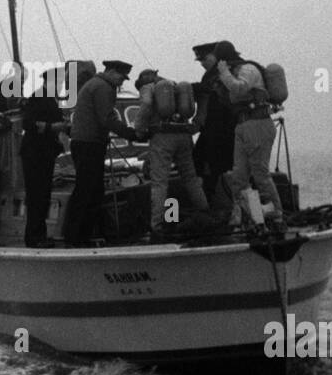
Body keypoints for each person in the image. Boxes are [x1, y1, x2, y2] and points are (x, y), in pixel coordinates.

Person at [62, 60, 134, 247]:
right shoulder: (103, 87)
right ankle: (77, 237)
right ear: (111, 71)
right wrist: (130, 134)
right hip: (89, 144)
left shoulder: (94, 84)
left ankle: (77, 235)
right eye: (121, 77)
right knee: (88, 190)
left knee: (88, 189)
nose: (122, 81)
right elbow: (107, 118)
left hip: (84, 142)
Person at [214, 42, 284, 228]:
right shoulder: (233, 73)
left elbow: (240, 88)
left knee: (260, 173)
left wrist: (224, 73)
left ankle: (276, 213)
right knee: (239, 176)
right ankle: (248, 216)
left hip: (257, 124)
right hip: (243, 126)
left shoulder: (248, 70)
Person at [134, 69, 209, 240]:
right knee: (191, 178)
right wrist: (197, 124)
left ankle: (157, 226)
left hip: (162, 136)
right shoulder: (176, 88)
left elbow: (146, 105)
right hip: (184, 136)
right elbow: (202, 100)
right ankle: (205, 213)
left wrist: (139, 129)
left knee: (159, 182)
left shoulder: (148, 87)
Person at [20, 68, 66, 247]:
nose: (61, 85)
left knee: (43, 195)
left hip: (43, 153)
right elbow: (28, 123)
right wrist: (51, 127)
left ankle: (40, 234)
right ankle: (34, 237)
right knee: (37, 196)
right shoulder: (39, 97)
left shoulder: (49, 98)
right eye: (59, 82)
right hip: (35, 154)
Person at [191, 42, 236, 210]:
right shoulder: (209, 75)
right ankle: (208, 204)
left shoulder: (224, 73)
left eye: (204, 59)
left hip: (224, 130)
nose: (202, 63)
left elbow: (210, 91)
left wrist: (188, 87)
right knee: (199, 161)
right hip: (211, 129)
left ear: (215, 56)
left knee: (218, 166)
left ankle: (221, 205)